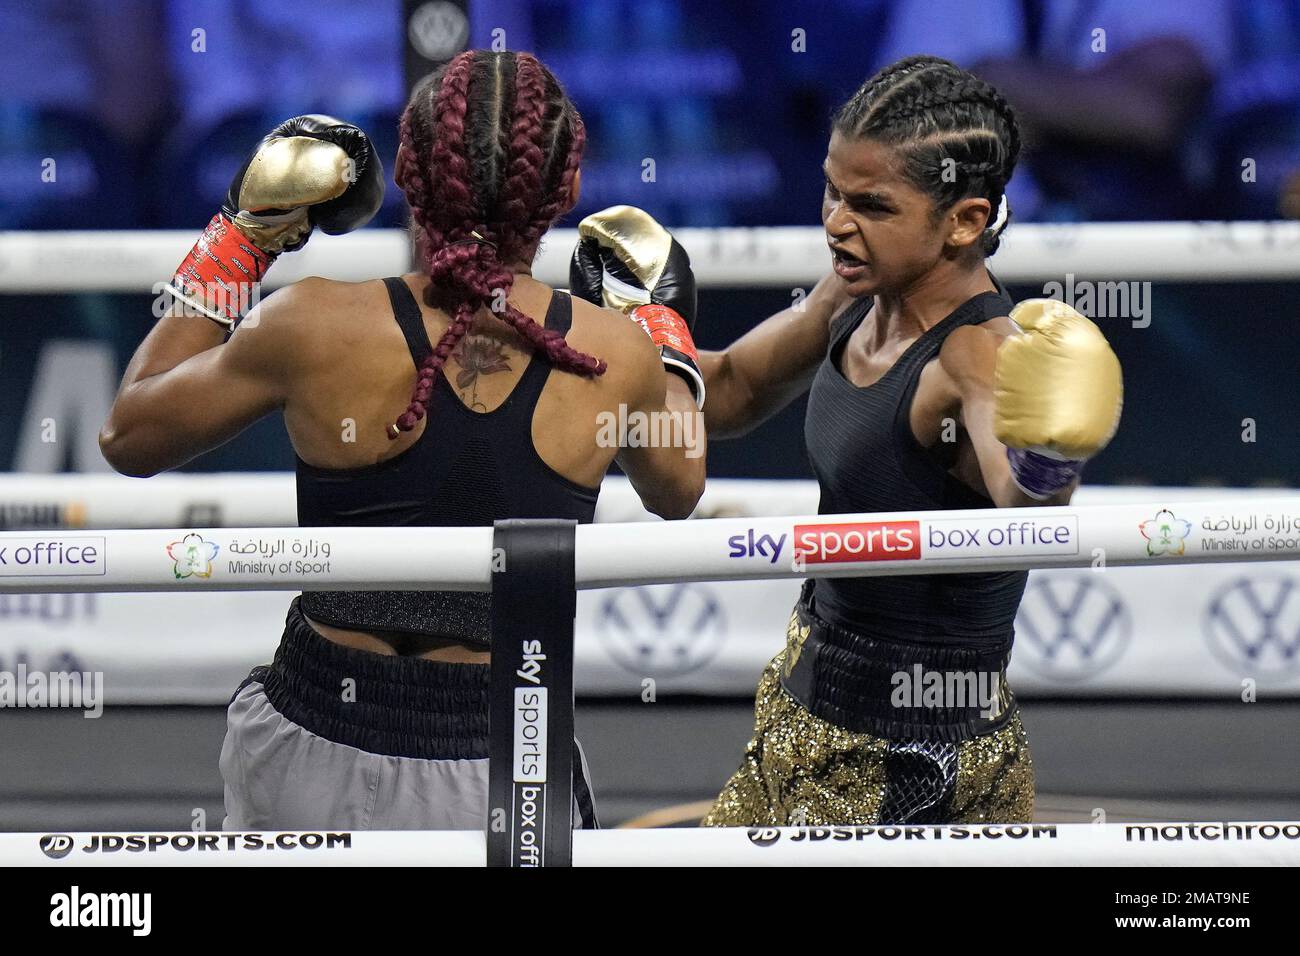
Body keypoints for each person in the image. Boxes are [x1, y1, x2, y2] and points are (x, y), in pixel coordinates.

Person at [98, 50, 706, 830]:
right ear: (570, 188)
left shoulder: (312, 322)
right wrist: (662, 332)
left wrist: (243, 236)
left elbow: (130, 433)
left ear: (406, 177)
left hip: (312, 729)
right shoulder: (611, 354)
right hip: (501, 751)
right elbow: (678, 488)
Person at [688, 55, 1123, 825]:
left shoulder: (980, 353)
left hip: (912, 757)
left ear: (964, 220)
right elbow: (729, 393)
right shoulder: (856, 293)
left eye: (871, 205)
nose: (834, 221)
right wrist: (638, 332)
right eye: (832, 190)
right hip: (804, 710)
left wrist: (1052, 453)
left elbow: (1027, 500)